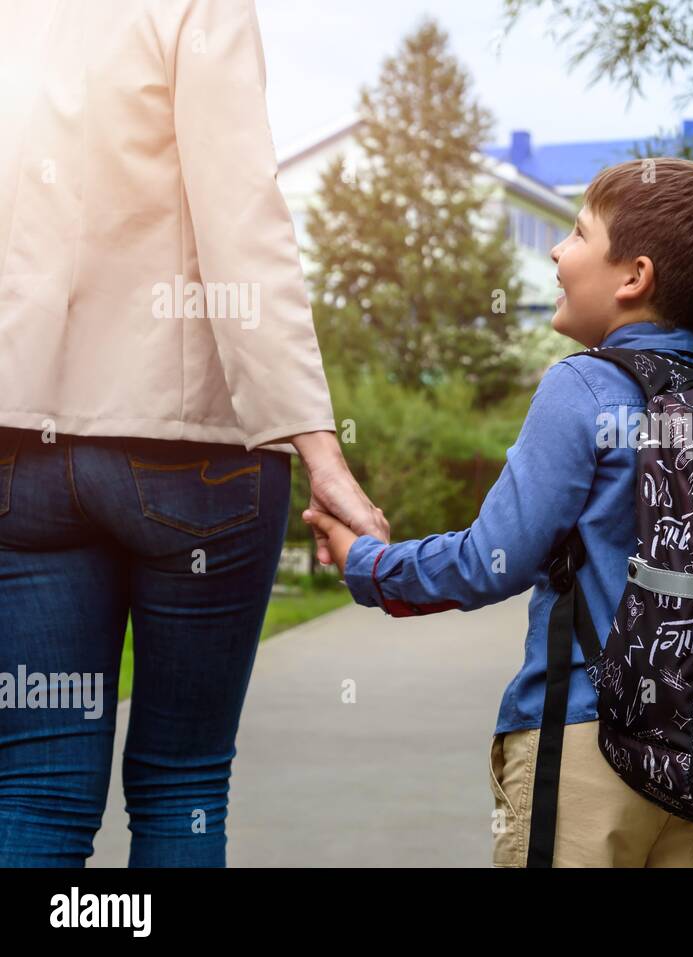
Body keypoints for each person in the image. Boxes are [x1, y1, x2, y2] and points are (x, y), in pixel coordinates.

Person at [0, 0, 386, 866]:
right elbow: (239, 218)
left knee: (34, 788)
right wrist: (319, 449)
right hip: (189, 457)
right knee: (181, 786)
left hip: (20, 453)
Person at [306, 158, 693, 867]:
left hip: (592, 742)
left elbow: (492, 560)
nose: (556, 250)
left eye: (577, 234)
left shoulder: (583, 385)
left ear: (632, 277)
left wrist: (367, 563)